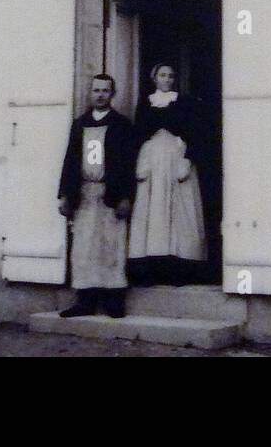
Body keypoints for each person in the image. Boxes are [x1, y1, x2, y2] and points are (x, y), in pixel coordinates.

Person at [57, 74, 135, 318]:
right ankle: (85, 301)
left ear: (113, 94)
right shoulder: (80, 124)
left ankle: (114, 300)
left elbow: (127, 164)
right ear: (90, 93)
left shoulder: (121, 125)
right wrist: (65, 195)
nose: (100, 95)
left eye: (105, 90)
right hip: (85, 193)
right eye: (96, 90)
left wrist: (125, 197)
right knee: (85, 246)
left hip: (110, 193)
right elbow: (70, 161)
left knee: (111, 244)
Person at [128, 64, 208, 286]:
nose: (167, 79)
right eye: (163, 75)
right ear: (155, 78)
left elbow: (195, 132)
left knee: (179, 214)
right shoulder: (146, 103)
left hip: (177, 157)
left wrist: (187, 159)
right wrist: (141, 161)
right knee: (153, 213)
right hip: (152, 159)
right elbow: (139, 134)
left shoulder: (184, 102)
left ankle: (179, 270)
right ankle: (150, 270)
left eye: (171, 76)